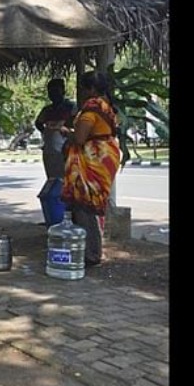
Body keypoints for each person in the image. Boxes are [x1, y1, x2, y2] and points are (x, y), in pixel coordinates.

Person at [61, 71, 121, 267]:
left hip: (94, 159)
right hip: (106, 156)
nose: (82, 92)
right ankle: (89, 250)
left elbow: (79, 138)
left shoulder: (90, 111)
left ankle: (91, 254)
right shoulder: (107, 107)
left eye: (84, 88)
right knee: (89, 205)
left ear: (92, 89)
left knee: (85, 204)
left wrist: (65, 132)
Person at [34, 78, 77, 179]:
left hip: (66, 147)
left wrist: (63, 127)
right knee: (52, 178)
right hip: (50, 148)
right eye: (50, 92)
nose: (53, 94)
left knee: (67, 177)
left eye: (56, 91)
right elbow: (38, 123)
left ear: (63, 91)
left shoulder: (71, 107)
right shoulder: (47, 110)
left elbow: (76, 123)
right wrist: (46, 132)